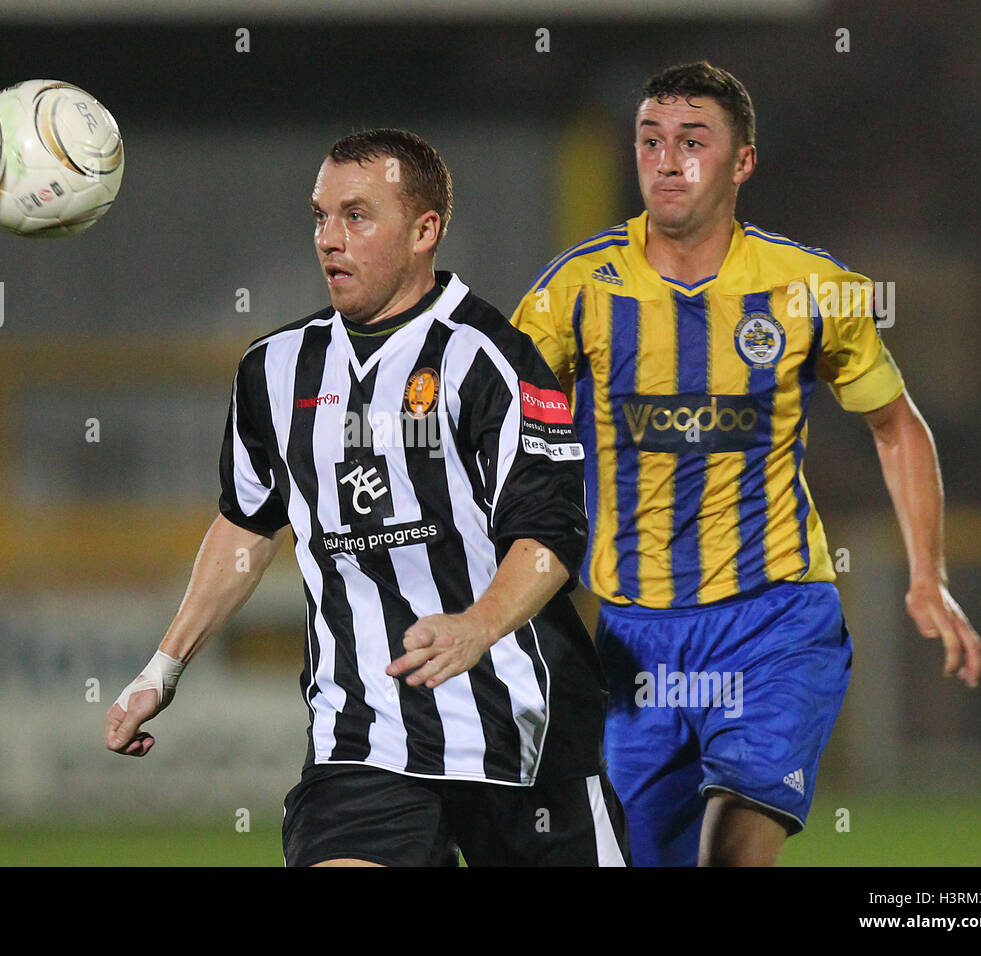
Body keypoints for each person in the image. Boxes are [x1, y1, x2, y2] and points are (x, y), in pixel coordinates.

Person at [106, 128, 629, 867]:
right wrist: (163, 668)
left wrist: (477, 626)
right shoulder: (274, 369)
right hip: (364, 737)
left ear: (424, 231)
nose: (330, 238)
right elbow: (248, 523)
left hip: (522, 731)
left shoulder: (490, 359)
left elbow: (550, 538)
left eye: (356, 216)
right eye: (320, 217)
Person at [510, 62, 981, 866]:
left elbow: (896, 427)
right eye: (651, 140)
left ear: (743, 162)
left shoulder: (810, 287)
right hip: (634, 640)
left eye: (693, 142)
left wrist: (926, 574)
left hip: (776, 622)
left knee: (731, 851)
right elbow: (504, 433)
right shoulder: (576, 290)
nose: (667, 161)